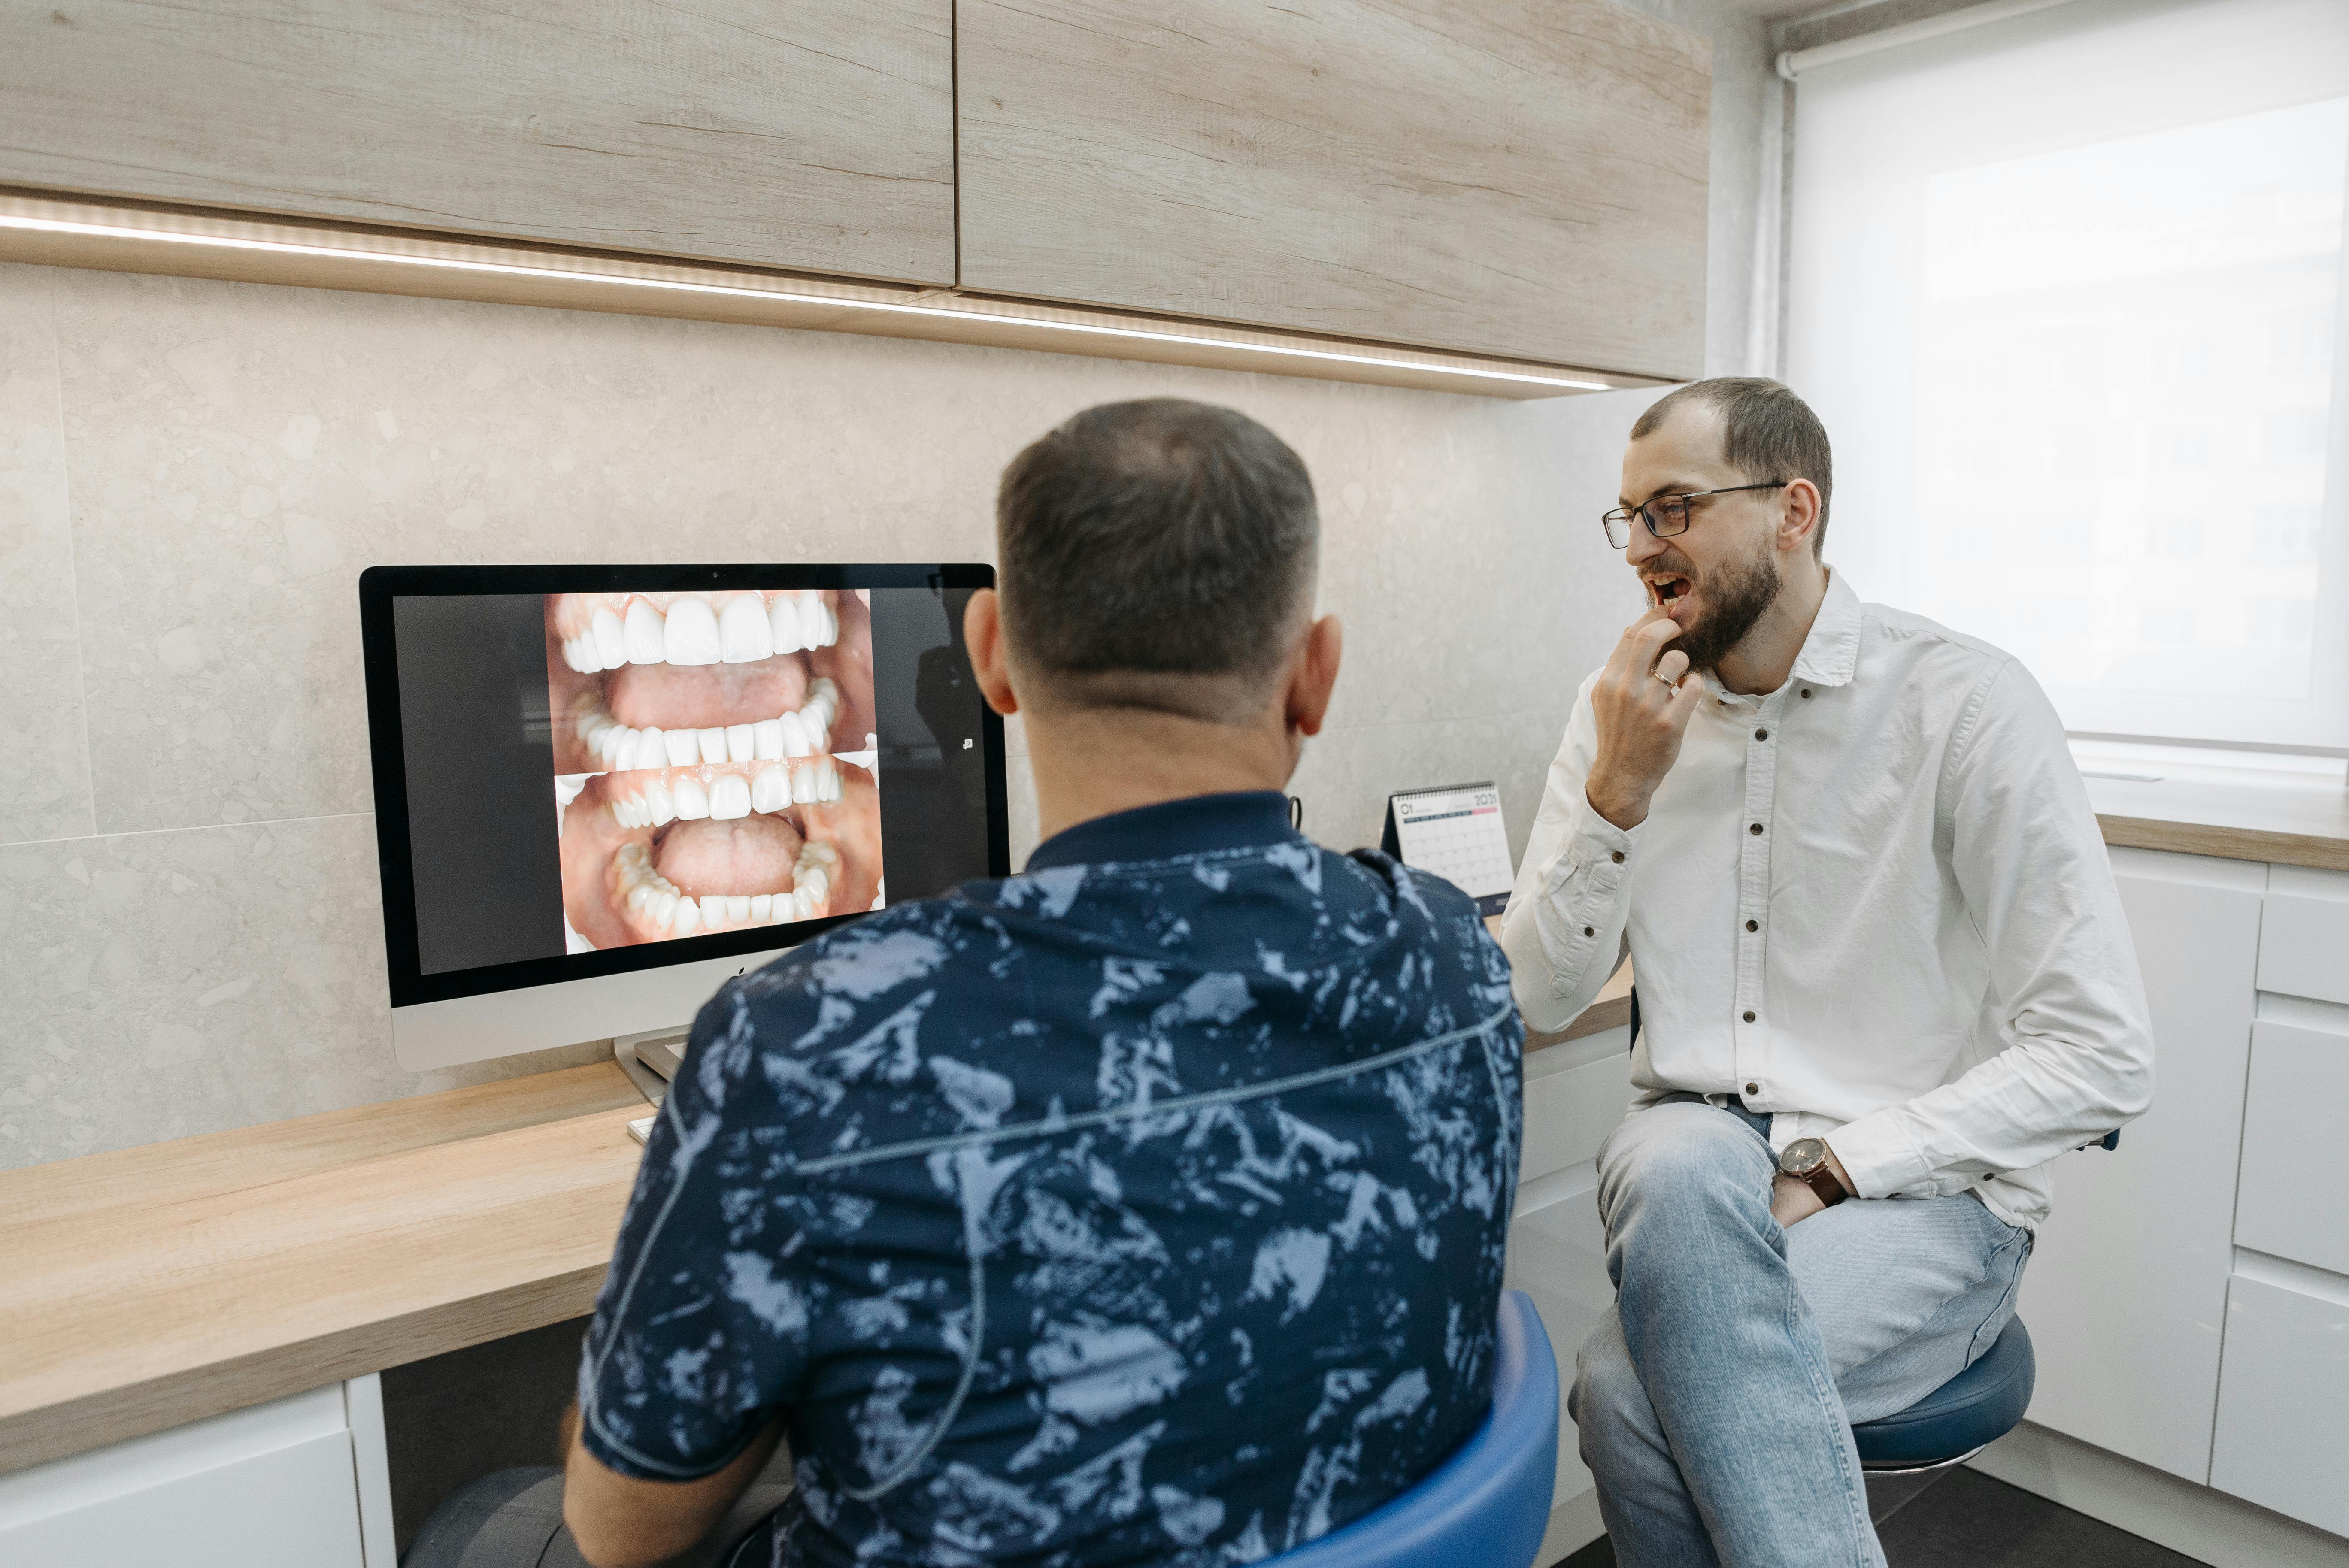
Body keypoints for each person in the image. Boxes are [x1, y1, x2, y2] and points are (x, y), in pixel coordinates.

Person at [406, 398, 1523, 1568]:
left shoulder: (805, 1043)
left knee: (478, 1522)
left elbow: (626, 1527)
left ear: (986, 654)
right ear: (1316, 674)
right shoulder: (1450, 952)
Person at [1499, 377, 2153, 1566]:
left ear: (1792, 510)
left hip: (1924, 1190)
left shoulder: (1964, 705)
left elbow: (2102, 1055)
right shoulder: (1620, 717)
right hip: (1689, 1152)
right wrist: (1617, 796)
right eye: (1629, 518)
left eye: (1674, 509)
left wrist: (1842, 1166)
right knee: (1679, 1161)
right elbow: (1539, 995)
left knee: (1627, 1394)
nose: (1642, 549)